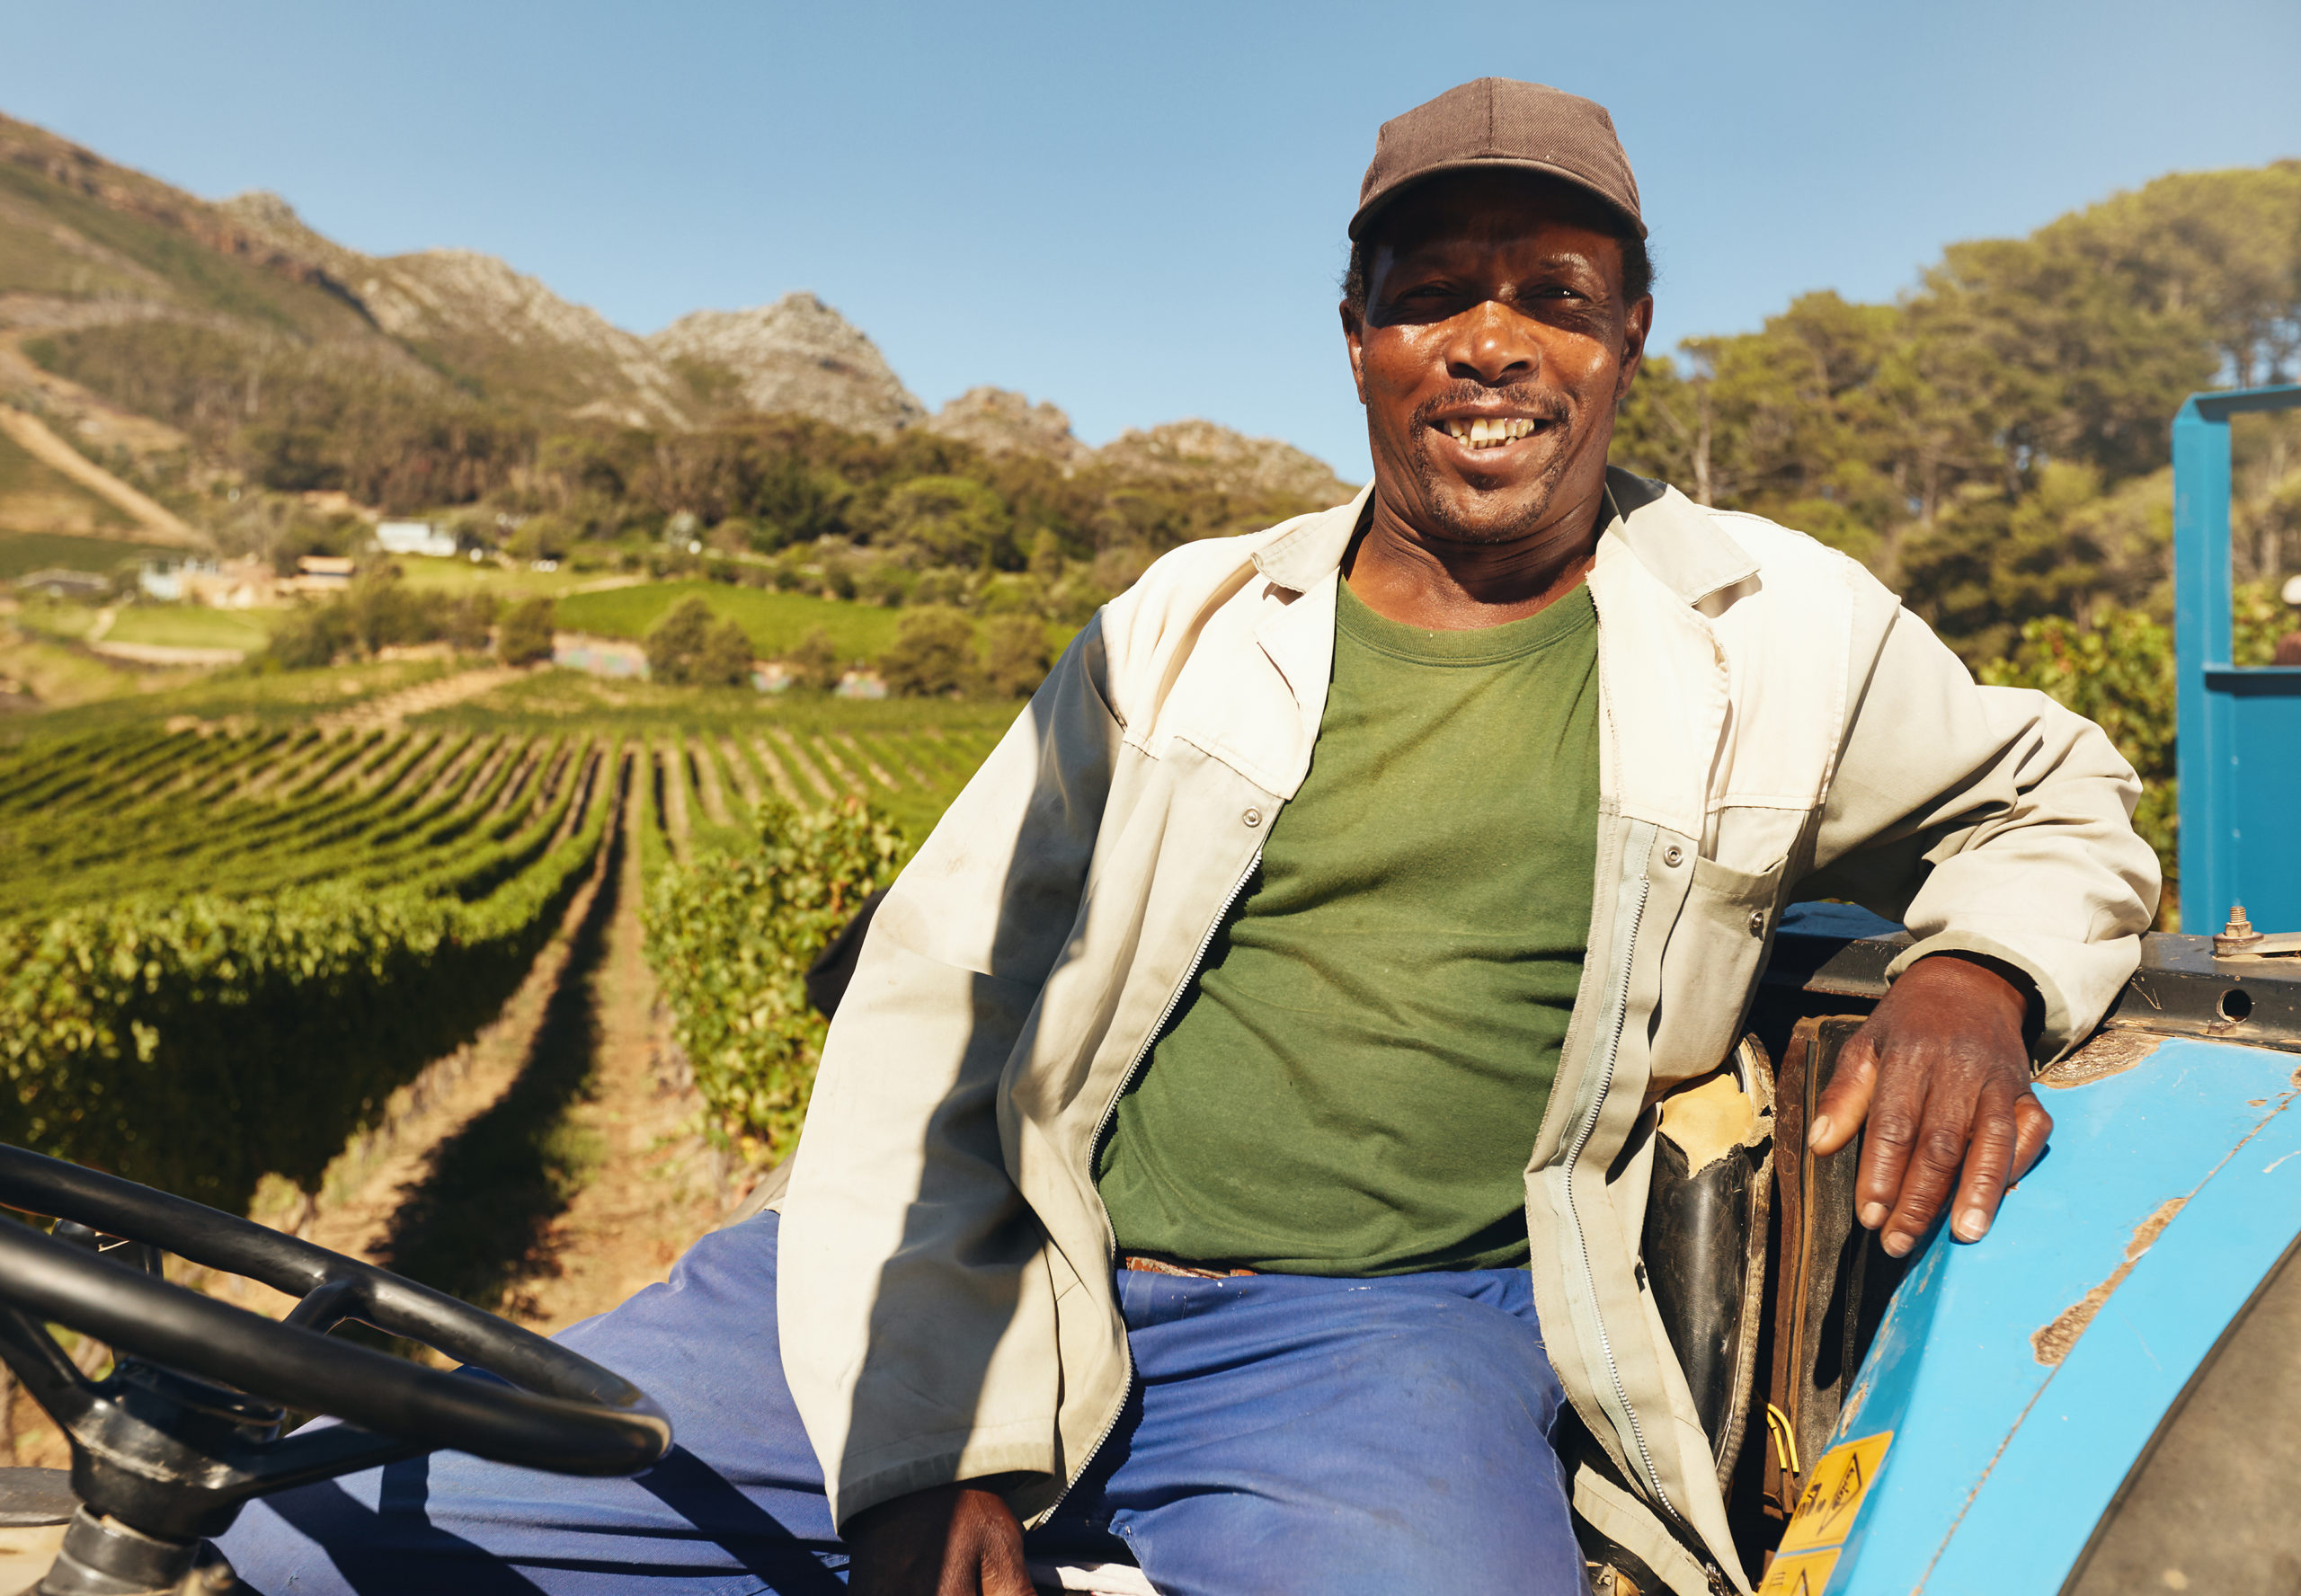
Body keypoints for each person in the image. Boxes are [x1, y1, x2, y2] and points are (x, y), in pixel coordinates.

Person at [217, 78, 2159, 1596]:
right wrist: (930, 1442)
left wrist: (1971, 974)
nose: (1489, 343)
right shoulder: (1183, 628)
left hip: (1386, 1338)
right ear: (1355, 338)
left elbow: (2051, 792)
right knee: (327, 1535)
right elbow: (940, 1015)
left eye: (1551, 299)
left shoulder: (1772, 625)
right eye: (1431, 295)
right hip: (1024, 1254)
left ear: (1627, 336)